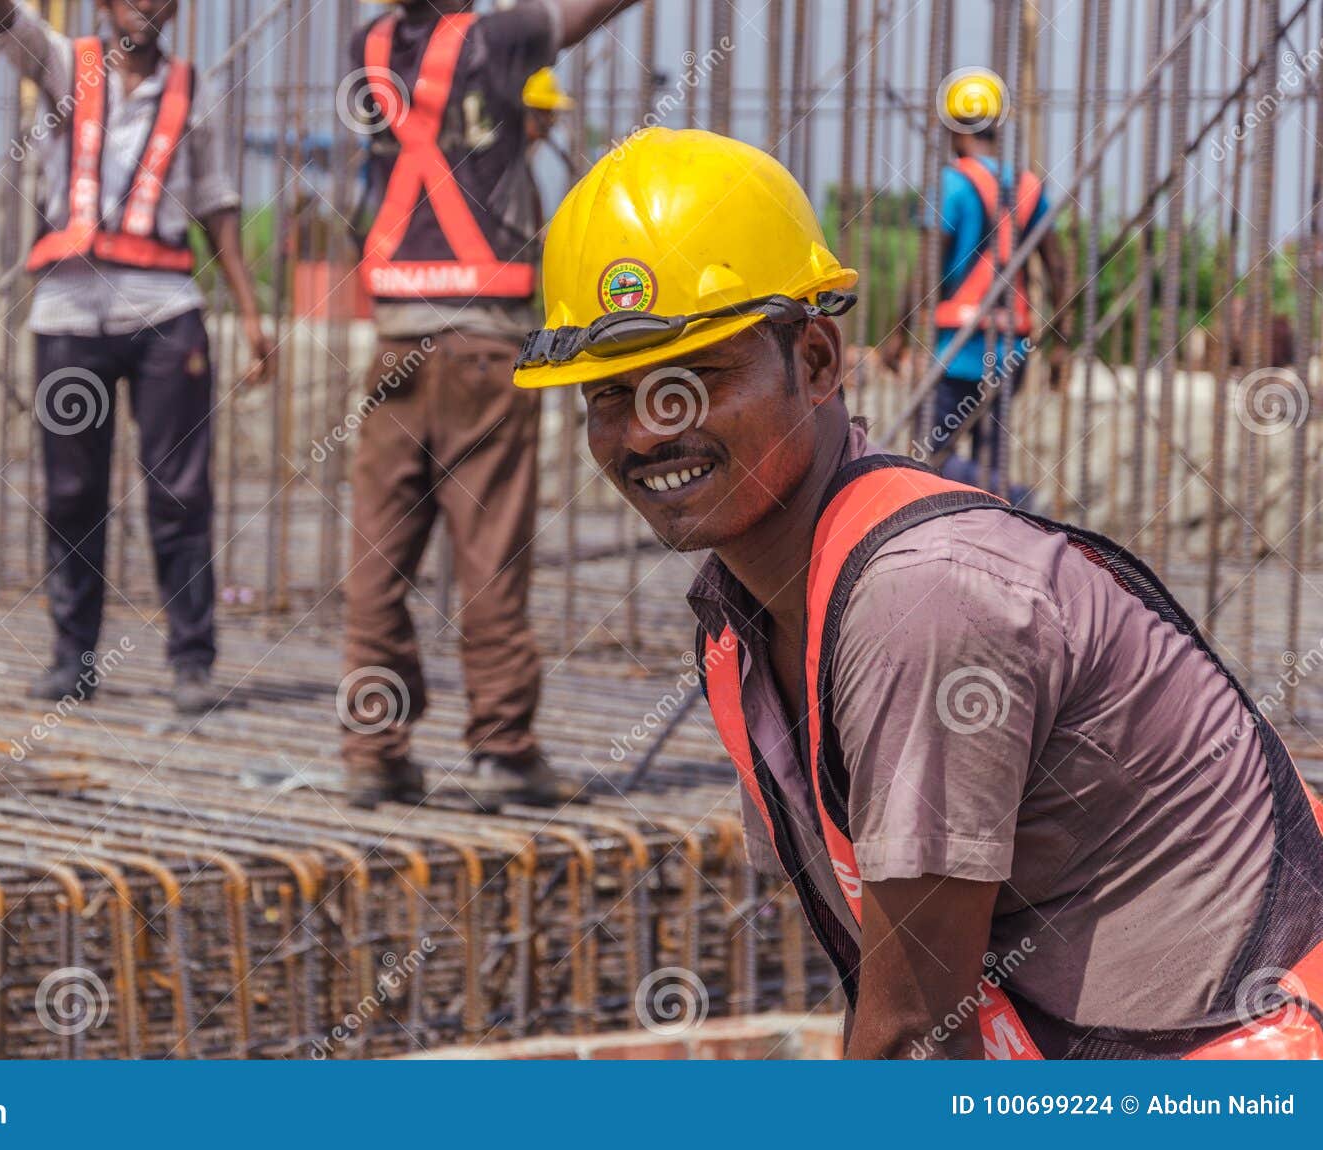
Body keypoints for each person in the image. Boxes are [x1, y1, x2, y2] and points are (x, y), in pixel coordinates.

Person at [514, 127, 1323, 1059]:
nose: (650, 430)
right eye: (609, 396)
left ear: (817, 361)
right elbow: (885, 985)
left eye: (696, 378)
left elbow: (911, 1037)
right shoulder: (737, 626)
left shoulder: (921, 598)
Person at [340, 0, 641, 809]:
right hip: (483, 342)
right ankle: (503, 749)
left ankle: (373, 748)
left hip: (396, 339)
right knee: (491, 556)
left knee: (378, 557)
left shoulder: (366, 46)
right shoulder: (497, 38)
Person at [0, 0, 271, 714]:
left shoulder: (195, 90)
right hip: (70, 313)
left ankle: (192, 661)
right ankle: (73, 656)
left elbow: (219, 207)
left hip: (166, 311)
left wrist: (253, 315)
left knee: (180, 492)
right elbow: (1, 22)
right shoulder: (62, 65)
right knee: (73, 492)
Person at [926, 70, 1067, 497]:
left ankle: (1014, 497)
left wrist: (896, 331)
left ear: (951, 127)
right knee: (991, 452)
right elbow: (1058, 267)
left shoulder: (951, 183)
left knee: (930, 456)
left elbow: (927, 267)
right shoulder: (1028, 185)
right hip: (1012, 345)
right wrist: (1061, 343)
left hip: (957, 342)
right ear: (999, 124)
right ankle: (995, 506)